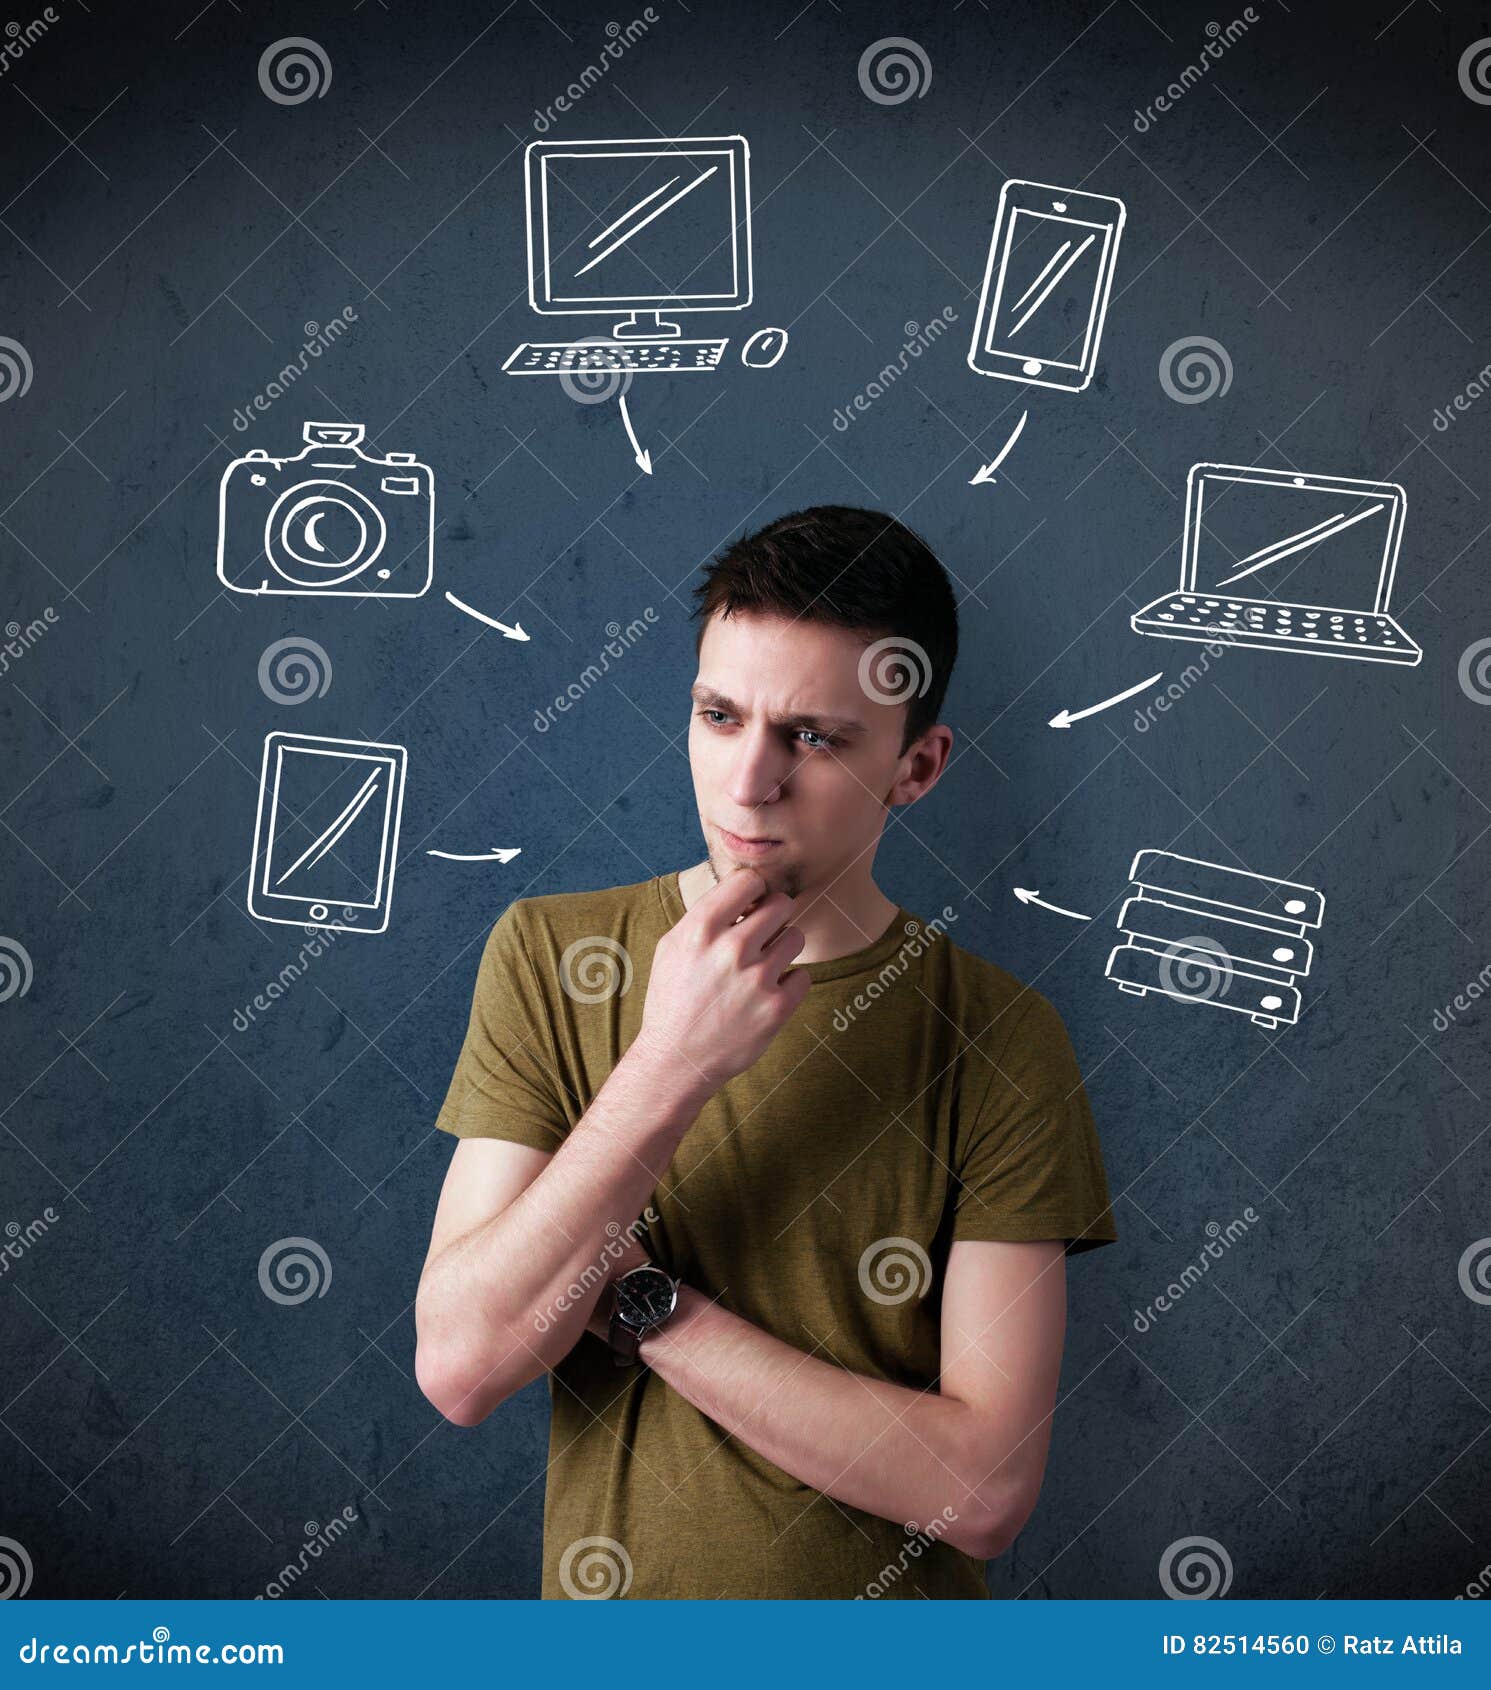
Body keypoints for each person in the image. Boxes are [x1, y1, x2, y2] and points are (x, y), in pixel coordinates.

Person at [415, 505, 1117, 1599]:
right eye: (719, 714)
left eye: (813, 736)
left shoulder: (1001, 1038)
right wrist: (673, 1065)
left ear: (916, 766)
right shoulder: (553, 958)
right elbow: (464, 1365)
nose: (748, 781)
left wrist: (645, 1305)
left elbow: (981, 1490)